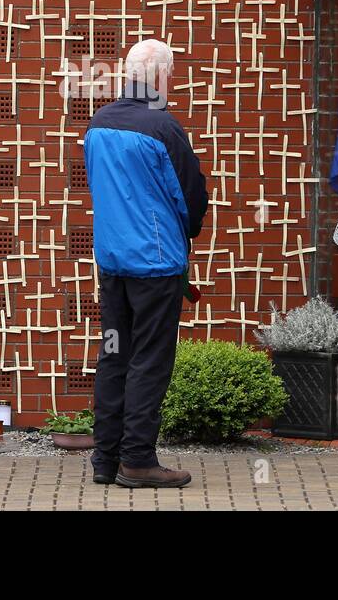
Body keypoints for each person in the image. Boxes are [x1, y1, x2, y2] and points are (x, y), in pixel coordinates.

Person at [82, 39, 209, 488]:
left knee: (114, 355)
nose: (171, 83)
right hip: (155, 266)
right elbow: (192, 197)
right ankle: (137, 461)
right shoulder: (163, 127)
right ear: (158, 76)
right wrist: (186, 231)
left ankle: (105, 459)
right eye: (170, 75)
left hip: (112, 263)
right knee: (149, 361)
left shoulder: (99, 123)